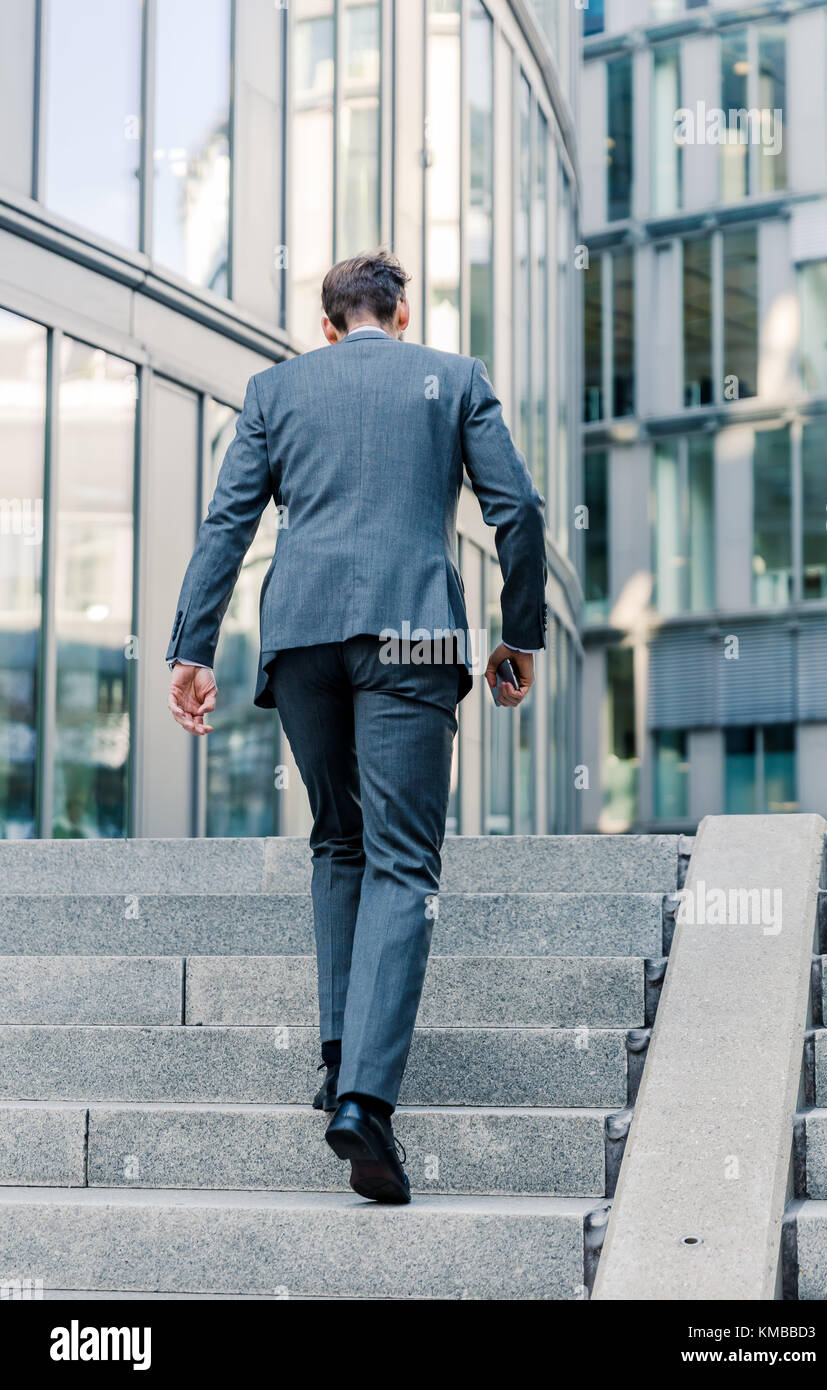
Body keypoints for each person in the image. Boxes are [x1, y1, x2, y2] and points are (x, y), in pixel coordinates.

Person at [167, 250, 547, 1203]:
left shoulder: (274, 388)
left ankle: (341, 1059)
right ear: (402, 313)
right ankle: (366, 1104)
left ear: (329, 322)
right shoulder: (454, 380)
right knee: (405, 857)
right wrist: (521, 636)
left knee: (338, 839)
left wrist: (192, 648)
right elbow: (520, 510)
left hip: (300, 637)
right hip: (413, 634)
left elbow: (226, 526)